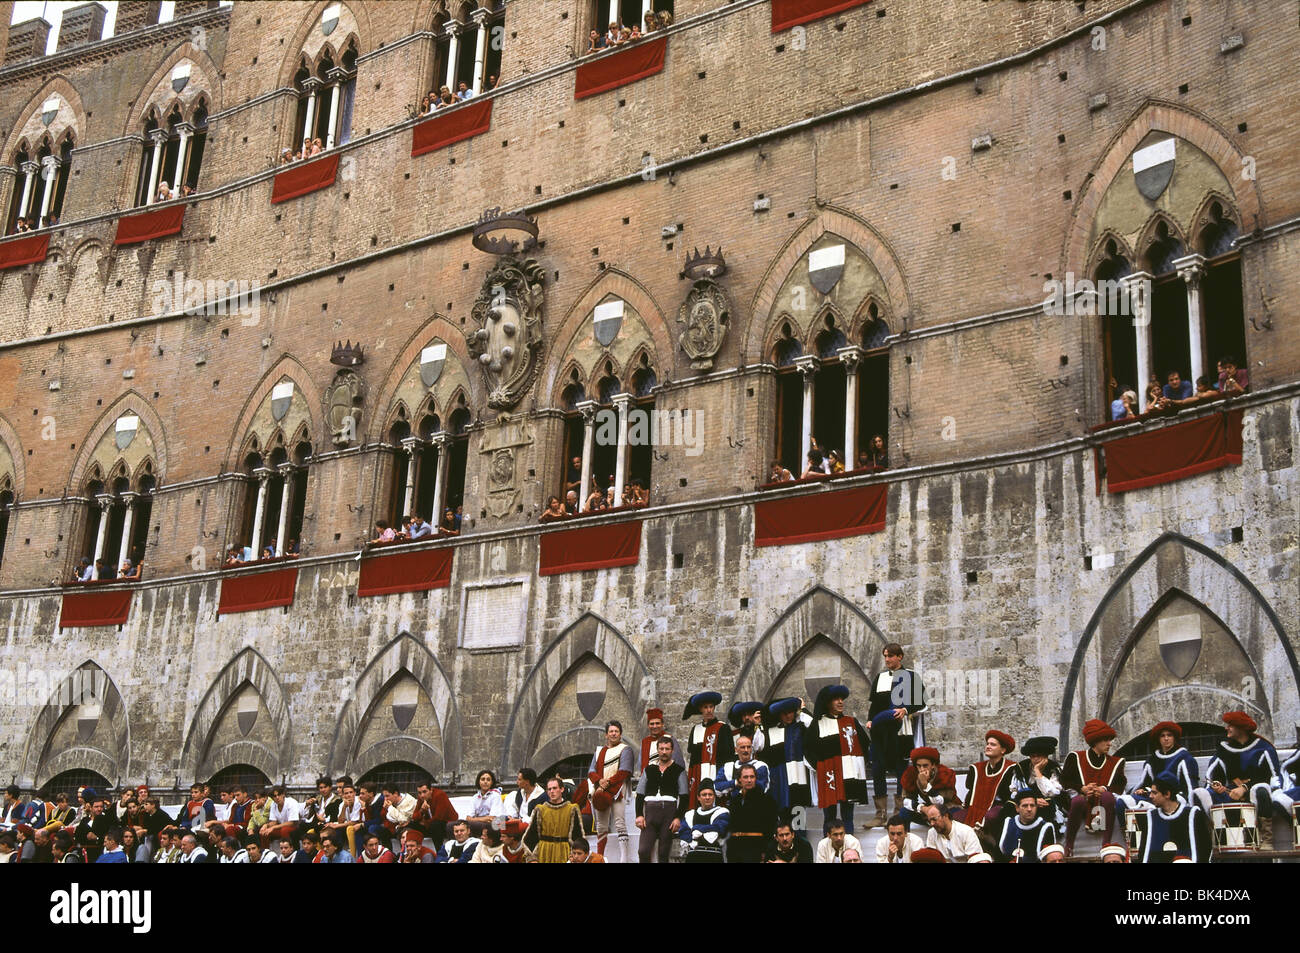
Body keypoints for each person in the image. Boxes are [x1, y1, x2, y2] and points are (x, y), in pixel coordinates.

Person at [1199, 710, 1283, 844]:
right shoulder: (1224, 750)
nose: (1227, 728)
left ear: (1241, 728)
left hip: (1256, 795)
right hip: (1229, 795)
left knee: (1262, 789)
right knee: (1199, 794)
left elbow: (1273, 778)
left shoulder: (1263, 748)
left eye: (1230, 725)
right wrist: (1217, 786)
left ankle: (1266, 839)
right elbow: (1214, 776)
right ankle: (1211, 840)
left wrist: (1244, 788)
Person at [868, 642, 928, 825]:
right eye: (885, 656)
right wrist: (870, 719)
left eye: (891, 656)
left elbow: (921, 703)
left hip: (902, 730)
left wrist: (906, 710)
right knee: (878, 767)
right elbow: (875, 705)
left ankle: (899, 812)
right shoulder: (880, 678)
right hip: (881, 731)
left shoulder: (911, 677)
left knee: (901, 769)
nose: (887, 659)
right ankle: (880, 814)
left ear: (900, 657)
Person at [807, 684, 869, 835]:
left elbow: (865, 744)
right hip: (829, 777)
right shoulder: (818, 724)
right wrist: (820, 767)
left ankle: (849, 850)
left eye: (842, 699)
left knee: (848, 815)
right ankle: (828, 851)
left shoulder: (852, 722)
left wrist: (859, 765)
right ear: (827, 703)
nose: (840, 702)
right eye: (836, 699)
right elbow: (808, 749)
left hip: (849, 776)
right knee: (829, 817)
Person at [1062, 719, 1127, 855]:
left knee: (1107, 797)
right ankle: (1068, 845)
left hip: (1103, 803)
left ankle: (1106, 843)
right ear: (1095, 741)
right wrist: (1082, 788)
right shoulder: (1075, 757)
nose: (1109, 744)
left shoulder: (1116, 762)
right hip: (1082, 802)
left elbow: (1120, 786)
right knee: (1077, 800)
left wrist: (1104, 788)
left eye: (1110, 740)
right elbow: (1064, 781)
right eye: (1105, 740)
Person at [1132, 776, 1212, 863]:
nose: (1150, 796)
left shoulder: (1193, 815)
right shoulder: (1151, 817)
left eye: (1154, 793)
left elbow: (1205, 847)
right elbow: (1143, 851)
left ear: (1167, 794)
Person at [588, 719, 635, 862]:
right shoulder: (599, 751)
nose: (614, 734)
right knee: (601, 826)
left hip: (618, 790)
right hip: (601, 792)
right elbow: (591, 771)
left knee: (620, 823)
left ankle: (624, 859)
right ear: (606, 735)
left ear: (620, 734)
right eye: (611, 732)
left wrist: (606, 783)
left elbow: (624, 772)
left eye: (616, 731)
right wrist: (599, 781)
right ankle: (600, 857)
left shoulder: (625, 749)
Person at [1122, 721, 1199, 809]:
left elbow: (1190, 787)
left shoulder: (1184, 757)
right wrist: (1142, 790)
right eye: (1162, 736)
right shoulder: (1153, 759)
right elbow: (1146, 783)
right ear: (1158, 739)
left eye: (1169, 735)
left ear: (1174, 738)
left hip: (1175, 797)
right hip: (1153, 796)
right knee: (1123, 801)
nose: (1166, 738)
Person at [635, 734, 687, 863]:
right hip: (650, 813)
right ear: (657, 750)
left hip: (668, 813)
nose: (664, 752)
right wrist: (639, 815)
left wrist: (678, 817)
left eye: (667, 749)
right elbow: (640, 793)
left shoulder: (678, 770)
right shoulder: (649, 769)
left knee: (663, 853)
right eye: (661, 749)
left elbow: (684, 796)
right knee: (643, 850)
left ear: (672, 751)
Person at [763, 697, 813, 822]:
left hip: (799, 776)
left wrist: (803, 710)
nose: (788, 716)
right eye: (784, 713)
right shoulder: (772, 731)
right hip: (781, 778)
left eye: (790, 712)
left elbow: (813, 726)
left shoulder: (801, 727)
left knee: (799, 815)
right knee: (783, 814)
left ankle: (801, 839)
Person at [961, 729, 1019, 836]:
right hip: (976, 806)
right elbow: (971, 792)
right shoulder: (976, 768)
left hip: (1000, 805)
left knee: (990, 816)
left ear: (1003, 750)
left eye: (993, 744)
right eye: (987, 744)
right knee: (957, 817)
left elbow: (1012, 795)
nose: (988, 746)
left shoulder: (1011, 768)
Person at [684, 690, 735, 808]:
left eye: (711, 707)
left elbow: (728, 756)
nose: (709, 710)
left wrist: (724, 779)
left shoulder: (723, 728)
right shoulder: (695, 729)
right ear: (700, 709)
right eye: (705, 707)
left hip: (716, 772)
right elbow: (693, 759)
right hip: (698, 774)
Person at [523, 777, 584, 863]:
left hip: (564, 853)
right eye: (549, 789)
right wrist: (532, 859)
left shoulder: (572, 809)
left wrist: (574, 857)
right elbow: (530, 837)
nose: (552, 791)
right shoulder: (540, 810)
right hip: (544, 853)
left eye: (554, 788)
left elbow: (577, 836)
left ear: (562, 789)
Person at [726, 764, 778, 863]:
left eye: (752, 777)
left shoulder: (766, 800)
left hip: (755, 848)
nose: (749, 780)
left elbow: (771, 828)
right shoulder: (734, 800)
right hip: (734, 849)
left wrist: (765, 851)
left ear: (755, 778)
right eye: (745, 777)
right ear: (739, 779)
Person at [900, 746, 959, 827]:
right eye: (919, 766)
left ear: (933, 765)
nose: (922, 769)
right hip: (928, 809)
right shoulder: (911, 773)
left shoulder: (944, 774)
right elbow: (906, 801)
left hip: (948, 808)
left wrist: (926, 785)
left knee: (954, 816)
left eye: (925, 766)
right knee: (904, 812)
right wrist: (923, 808)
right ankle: (905, 837)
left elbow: (940, 802)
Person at [998, 789, 1057, 863]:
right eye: (1025, 806)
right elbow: (999, 856)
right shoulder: (1008, 824)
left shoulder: (1045, 828)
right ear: (1017, 808)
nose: (1029, 809)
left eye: (1032, 805)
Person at [678, 778, 728, 863]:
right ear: (698, 797)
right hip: (693, 857)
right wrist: (705, 832)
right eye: (704, 795)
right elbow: (683, 832)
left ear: (714, 796)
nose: (707, 797)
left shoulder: (722, 812)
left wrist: (695, 828)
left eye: (710, 794)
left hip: (713, 857)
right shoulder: (690, 815)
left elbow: (719, 828)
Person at [407, 779, 458, 844]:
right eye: (419, 793)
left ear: (431, 790)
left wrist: (424, 823)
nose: (422, 795)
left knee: (435, 825)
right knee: (411, 825)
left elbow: (438, 817)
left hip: (446, 824)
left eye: (424, 792)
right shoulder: (421, 798)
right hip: (430, 824)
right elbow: (414, 817)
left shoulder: (440, 795)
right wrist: (421, 811)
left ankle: (439, 850)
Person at [639, 707, 684, 772]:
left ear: (662, 724)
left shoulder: (670, 739)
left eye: (657, 723)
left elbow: (679, 763)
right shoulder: (645, 742)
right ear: (648, 725)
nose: (655, 726)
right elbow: (641, 765)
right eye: (652, 724)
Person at [466, 770, 504, 834]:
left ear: (492, 782)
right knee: (452, 825)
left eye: (488, 780)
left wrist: (475, 819)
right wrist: (483, 818)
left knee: (470, 826)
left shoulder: (495, 796)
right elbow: (468, 818)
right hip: (479, 824)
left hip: (496, 826)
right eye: (483, 779)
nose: (485, 782)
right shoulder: (475, 797)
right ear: (479, 782)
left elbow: (492, 819)